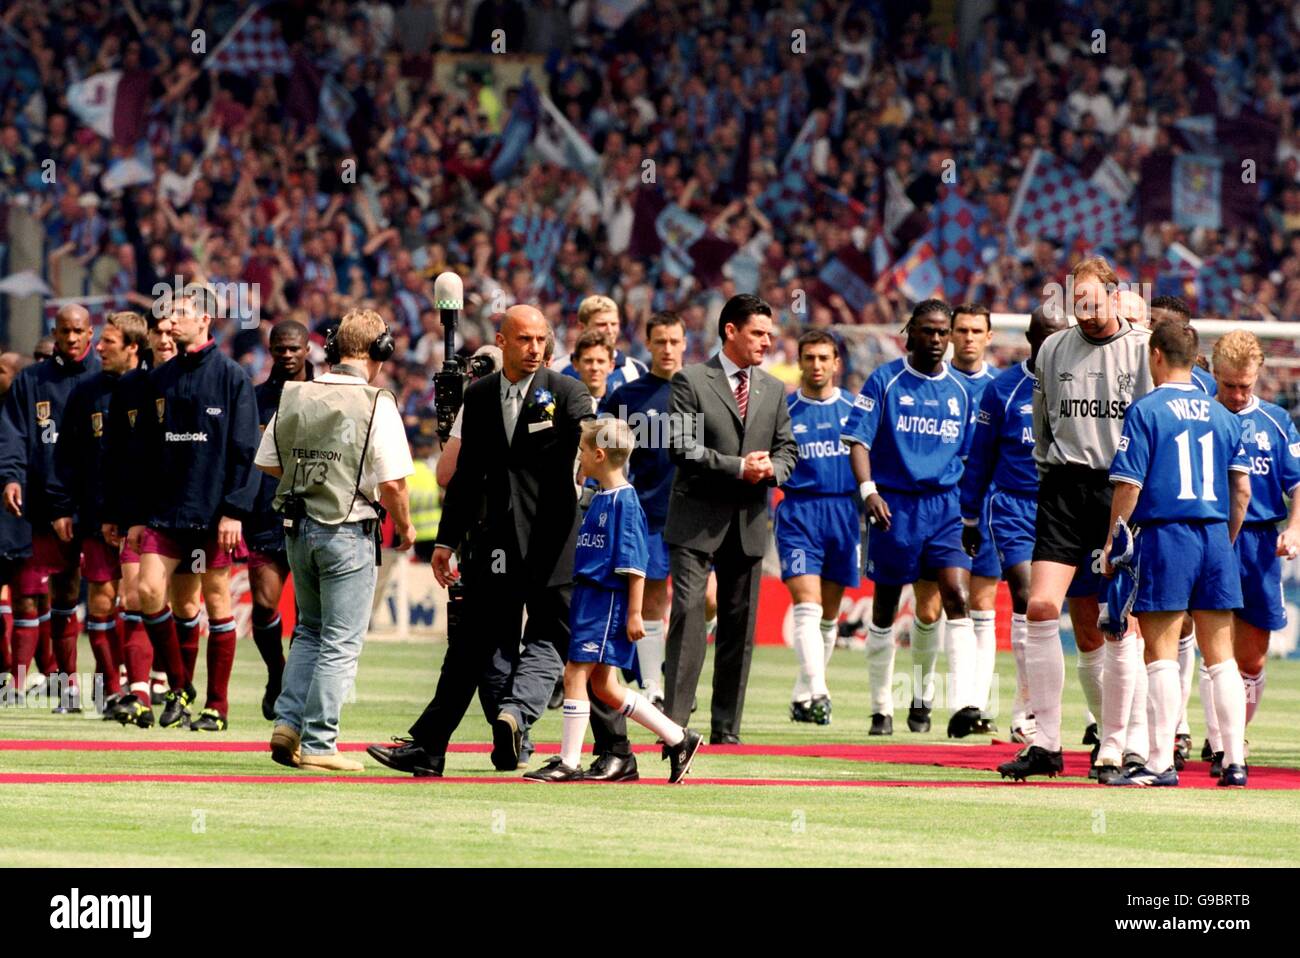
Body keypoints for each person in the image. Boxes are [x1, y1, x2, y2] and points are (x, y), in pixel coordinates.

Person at [368, 306, 636, 780]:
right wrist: (446, 541)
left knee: (558, 639)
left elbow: (588, 432)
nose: (535, 348)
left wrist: (595, 457)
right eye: (525, 339)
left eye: (541, 340)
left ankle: (536, 722)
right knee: (470, 645)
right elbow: (467, 476)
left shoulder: (567, 392)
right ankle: (432, 747)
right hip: (495, 547)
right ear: (502, 341)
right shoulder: (482, 393)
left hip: (555, 544)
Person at [998, 256, 1154, 781]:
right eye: (1078, 305)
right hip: (1063, 487)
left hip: (1119, 489)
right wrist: (1050, 469)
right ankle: (1045, 744)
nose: (1086, 315)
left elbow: (1149, 428)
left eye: (1094, 304)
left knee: (1114, 622)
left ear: (1115, 297)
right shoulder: (1054, 349)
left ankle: (1116, 747)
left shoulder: (1140, 350)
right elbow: (1043, 424)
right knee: (1041, 606)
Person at [256, 308, 415, 772]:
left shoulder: (295, 394)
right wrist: (404, 528)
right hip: (348, 529)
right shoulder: (375, 401)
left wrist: (312, 478)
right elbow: (394, 483)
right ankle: (321, 743)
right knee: (341, 641)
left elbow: (268, 462)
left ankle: (287, 725)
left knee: (307, 630)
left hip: (297, 527)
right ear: (379, 352)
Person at [1101, 319, 1252, 787]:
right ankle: (1234, 760)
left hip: (1168, 535)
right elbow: (1241, 491)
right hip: (1213, 536)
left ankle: (1161, 762)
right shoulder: (1224, 415)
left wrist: (1114, 542)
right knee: (1220, 656)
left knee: (1161, 653)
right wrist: (1223, 540)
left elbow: (1129, 484)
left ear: (1157, 357)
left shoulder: (1146, 411)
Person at [524, 418, 703, 783]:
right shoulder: (602, 496)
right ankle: (678, 737)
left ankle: (569, 761)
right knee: (604, 685)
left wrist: (634, 613)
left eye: (584, 451)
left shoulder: (625, 501)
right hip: (591, 596)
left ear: (600, 454)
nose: (581, 457)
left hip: (605, 599)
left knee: (575, 673)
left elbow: (635, 563)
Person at [662, 293, 797, 744]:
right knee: (686, 614)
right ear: (730, 331)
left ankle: (727, 731)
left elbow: (787, 450)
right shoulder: (691, 380)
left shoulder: (774, 389)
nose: (766, 341)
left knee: (740, 627)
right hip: (695, 521)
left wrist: (772, 470)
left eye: (769, 334)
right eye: (757, 333)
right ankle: (675, 726)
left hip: (749, 522)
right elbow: (681, 446)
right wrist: (740, 467)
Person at [842, 300, 980, 737]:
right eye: (929, 331)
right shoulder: (885, 381)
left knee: (953, 596)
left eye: (944, 332)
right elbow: (858, 441)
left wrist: (970, 510)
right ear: (910, 333)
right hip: (894, 508)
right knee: (885, 607)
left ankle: (957, 704)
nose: (938, 340)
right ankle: (882, 707)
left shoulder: (962, 391)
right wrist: (870, 492)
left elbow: (970, 454)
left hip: (945, 508)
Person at [126, 288, 260, 732]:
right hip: (165, 513)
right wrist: (136, 516)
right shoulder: (158, 380)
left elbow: (247, 450)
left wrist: (234, 511)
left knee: (210, 602)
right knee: (148, 591)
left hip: (211, 514)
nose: (168, 323)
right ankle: (181, 685)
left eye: (179, 314)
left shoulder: (231, 376)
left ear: (205, 320)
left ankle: (217, 707)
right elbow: (142, 454)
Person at [960, 304, 1068, 743]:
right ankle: (1027, 714)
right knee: (1027, 597)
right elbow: (980, 456)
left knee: (1068, 611)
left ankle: (1086, 717)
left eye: (1061, 337)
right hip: (1013, 508)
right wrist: (969, 516)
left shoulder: (1081, 386)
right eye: (1046, 338)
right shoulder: (1003, 389)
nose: (1053, 346)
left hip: (1064, 508)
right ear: (1031, 338)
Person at [1203, 331, 1300, 776]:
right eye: (1229, 386)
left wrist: (1294, 528)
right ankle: (1209, 740)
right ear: (1214, 375)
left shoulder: (1277, 422)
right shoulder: (1199, 415)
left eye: (1246, 386)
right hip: (1201, 534)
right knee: (1194, 641)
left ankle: (1230, 735)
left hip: (1259, 543)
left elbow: (1296, 486)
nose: (1239, 395)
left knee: (1253, 657)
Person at [47, 311, 149, 715]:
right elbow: (66, 455)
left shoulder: (153, 389)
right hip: (95, 515)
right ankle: (112, 691)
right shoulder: (86, 392)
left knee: (140, 599)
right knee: (102, 604)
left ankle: (144, 688)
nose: (99, 348)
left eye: (108, 342)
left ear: (132, 348)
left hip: (141, 518)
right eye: (101, 340)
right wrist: (63, 507)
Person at [0, 304, 101, 712]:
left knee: (88, 598)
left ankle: (104, 686)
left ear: (89, 333)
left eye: (79, 331)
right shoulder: (32, 381)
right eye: (65, 331)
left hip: (93, 508)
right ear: (55, 333)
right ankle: (40, 685)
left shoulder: (105, 378)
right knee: (40, 594)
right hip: (42, 506)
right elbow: (14, 437)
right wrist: (10, 477)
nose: (72, 338)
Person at [913, 302, 999, 733]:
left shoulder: (1001, 387)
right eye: (959, 330)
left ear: (988, 337)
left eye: (974, 331)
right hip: (938, 507)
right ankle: (921, 694)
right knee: (929, 609)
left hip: (985, 507)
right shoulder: (933, 381)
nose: (966, 338)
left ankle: (975, 706)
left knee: (980, 604)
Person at [775, 329, 857, 726]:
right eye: (809, 358)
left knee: (828, 615)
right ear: (800, 362)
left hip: (844, 514)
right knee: (806, 606)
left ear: (836, 363)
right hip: (799, 513)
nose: (817, 365)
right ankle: (822, 692)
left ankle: (803, 695)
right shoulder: (784, 411)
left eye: (825, 358)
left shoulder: (857, 409)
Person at [607, 311, 686, 708]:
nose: (668, 348)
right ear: (649, 344)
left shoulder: (702, 390)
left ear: (684, 344)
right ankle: (653, 686)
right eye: (661, 341)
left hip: (697, 515)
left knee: (705, 600)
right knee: (653, 599)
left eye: (674, 341)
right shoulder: (628, 397)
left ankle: (680, 666)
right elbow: (601, 445)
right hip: (651, 513)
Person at [102, 311, 177, 725]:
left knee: (181, 604)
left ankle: (174, 687)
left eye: (170, 330)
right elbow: (116, 455)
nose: (164, 338)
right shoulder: (132, 387)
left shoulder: (192, 382)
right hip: (138, 512)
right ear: (148, 338)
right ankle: (141, 692)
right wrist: (115, 511)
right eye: (158, 331)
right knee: (135, 595)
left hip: (185, 514)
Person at [247, 321, 313, 720]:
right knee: (263, 604)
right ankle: (277, 673)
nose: (287, 355)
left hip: (312, 514)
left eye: (294, 349)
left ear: (308, 350)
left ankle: (299, 687)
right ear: (270, 351)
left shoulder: (325, 396)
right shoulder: (253, 399)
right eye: (280, 349)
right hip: (264, 515)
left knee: (309, 617)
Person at [559, 295, 646, 394]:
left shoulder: (635, 370)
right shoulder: (559, 369)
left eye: (614, 324)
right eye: (602, 324)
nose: (610, 330)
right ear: (582, 327)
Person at [572, 328, 616, 414]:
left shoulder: (621, 404)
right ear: (575, 364)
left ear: (611, 365)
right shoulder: (563, 404)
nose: (594, 368)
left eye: (600, 361)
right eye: (588, 361)